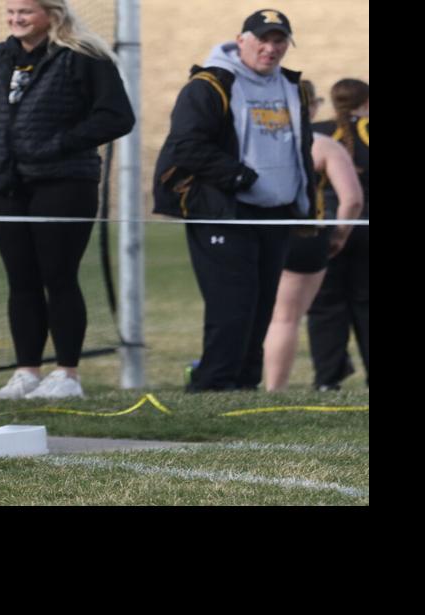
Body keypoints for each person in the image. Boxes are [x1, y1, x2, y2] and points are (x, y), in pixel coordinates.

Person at [0, 0, 135, 400]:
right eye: (10, 12)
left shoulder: (83, 57)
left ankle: (66, 374)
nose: (16, 19)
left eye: (25, 11)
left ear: (52, 14)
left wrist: (57, 144)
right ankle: (26, 372)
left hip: (63, 182)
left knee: (58, 276)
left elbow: (116, 116)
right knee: (20, 279)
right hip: (6, 184)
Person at [153, 10, 317, 392]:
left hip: (276, 213)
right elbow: (186, 146)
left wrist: (304, 203)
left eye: (280, 41)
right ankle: (212, 385)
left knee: (262, 305)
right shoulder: (211, 85)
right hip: (225, 210)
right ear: (241, 39)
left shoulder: (291, 86)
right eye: (263, 38)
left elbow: (301, 149)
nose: (271, 48)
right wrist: (238, 176)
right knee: (232, 304)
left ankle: (245, 384)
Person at [261, 79, 362, 391]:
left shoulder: (258, 140)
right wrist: (340, 234)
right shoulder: (322, 143)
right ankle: (276, 388)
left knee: (272, 314)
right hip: (310, 231)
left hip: (265, 231)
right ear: (312, 105)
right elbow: (352, 198)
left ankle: (259, 385)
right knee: (288, 317)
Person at [307, 77, 369, 389]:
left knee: (325, 307)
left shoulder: (318, 133)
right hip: (364, 226)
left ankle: (327, 379)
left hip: (325, 226)